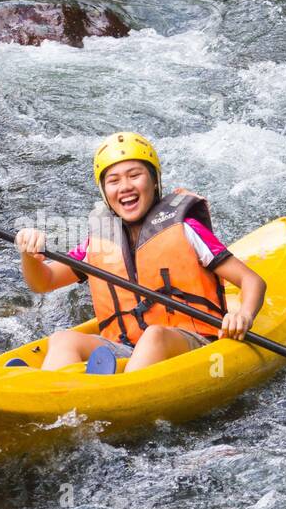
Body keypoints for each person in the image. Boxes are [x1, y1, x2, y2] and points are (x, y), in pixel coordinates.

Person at [14, 132, 267, 374]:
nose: (124, 186)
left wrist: (243, 315)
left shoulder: (186, 229)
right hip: (128, 346)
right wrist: (29, 255)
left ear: (154, 180)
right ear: (104, 192)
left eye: (134, 175)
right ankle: (57, 395)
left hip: (193, 342)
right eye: (113, 180)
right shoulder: (100, 241)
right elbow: (44, 281)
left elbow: (252, 281)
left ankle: (115, 396)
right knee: (62, 340)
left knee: (154, 335)